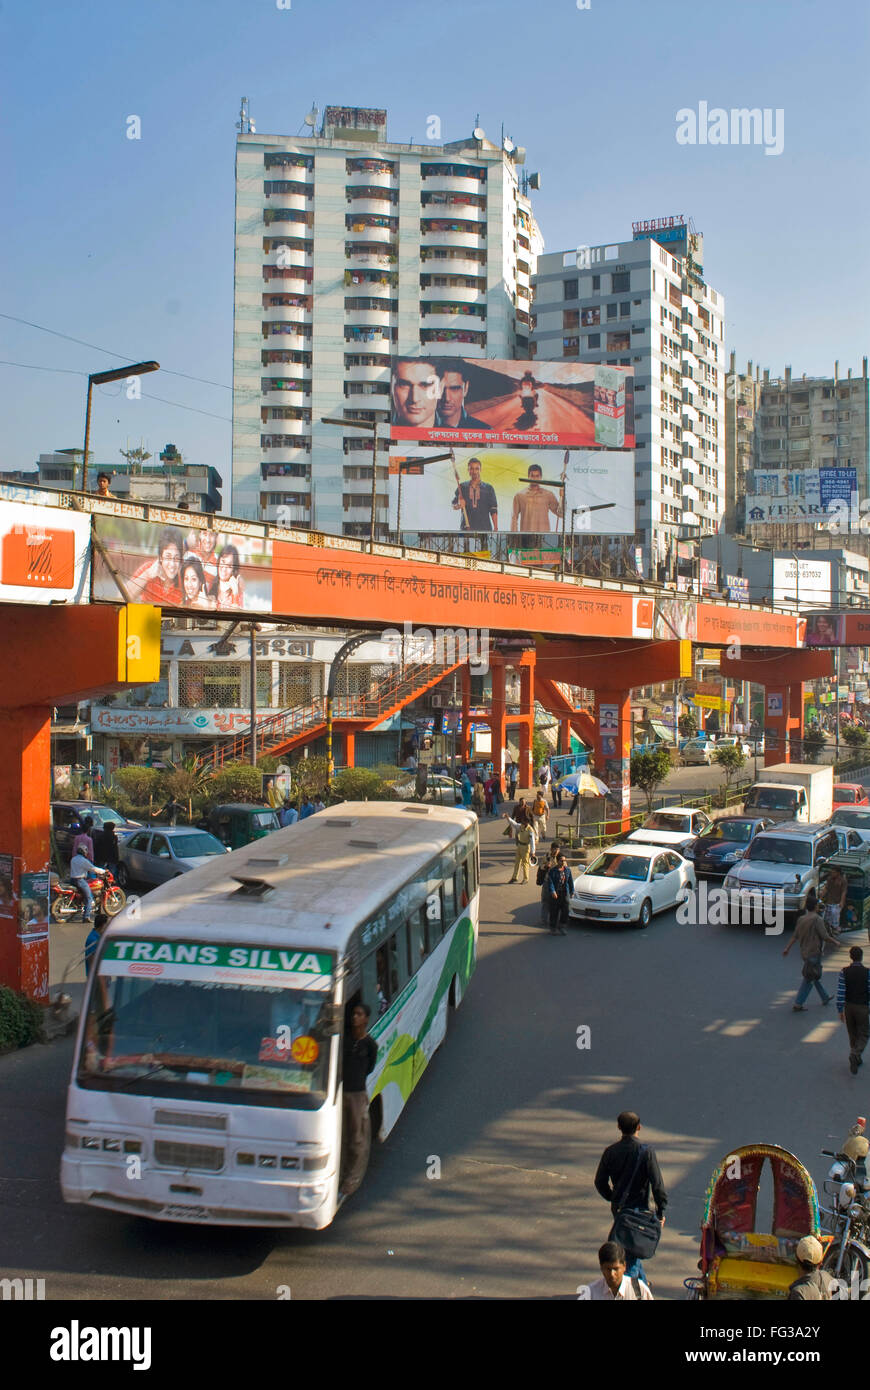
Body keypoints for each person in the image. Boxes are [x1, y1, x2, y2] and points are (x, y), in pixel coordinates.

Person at [594, 1111, 668, 1286]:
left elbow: (599, 1182)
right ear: (639, 1127)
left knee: (630, 1245)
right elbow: (658, 1185)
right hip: (639, 1210)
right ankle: (632, 1288)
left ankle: (642, 1283)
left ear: (619, 1127)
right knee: (633, 1247)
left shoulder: (610, 1152)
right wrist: (660, 1212)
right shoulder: (646, 1152)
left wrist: (612, 1197)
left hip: (620, 1210)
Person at [338, 1002, 379, 1202]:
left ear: (366, 1019)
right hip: (340, 1093)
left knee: (357, 1139)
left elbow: (370, 1067)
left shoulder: (370, 1045)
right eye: (353, 1014)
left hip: (356, 1096)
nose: (355, 1017)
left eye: (359, 1014)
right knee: (342, 1136)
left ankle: (352, 1178)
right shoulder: (344, 1040)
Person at [783, 888, 838, 1010]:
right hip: (814, 952)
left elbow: (795, 936)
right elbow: (825, 936)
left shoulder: (801, 919)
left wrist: (787, 948)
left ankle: (824, 996)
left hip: (805, 952)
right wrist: (835, 942)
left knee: (813, 974)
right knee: (810, 978)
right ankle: (798, 1003)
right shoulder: (817, 919)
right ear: (816, 907)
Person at [128, 526, 184, 605]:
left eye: (176, 558)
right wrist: (147, 575)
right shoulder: (148, 568)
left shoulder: (185, 579)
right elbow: (121, 597)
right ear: (160, 557)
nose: (172, 564)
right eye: (168, 557)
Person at [582, 1241, 653, 1301]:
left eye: (616, 1269)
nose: (612, 1274)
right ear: (601, 1268)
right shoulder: (591, 1292)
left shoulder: (638, 1289)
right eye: (608, 1269)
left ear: (624, 1266)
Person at [837, 945, 870, 1074]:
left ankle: (856, 1057)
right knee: (865, 1033)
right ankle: (855, 1054)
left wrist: (840, 1009)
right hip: (862, 1006)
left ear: (851, 957)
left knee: (853, 1033)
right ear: (861, 957)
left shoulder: (844, 971)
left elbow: (841, 991)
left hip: (848, 1006)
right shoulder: (867, 972)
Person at [391, 356, 441, 431]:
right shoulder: (381, 429)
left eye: (425, 385)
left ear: (440, 388)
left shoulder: (455, 434)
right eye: (404, 385)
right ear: (392, 387)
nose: (414, 398)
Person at [435, 361, 489, 430]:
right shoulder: (422, 426)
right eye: (440, 389)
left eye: (454, 389)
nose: (447, 398)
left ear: (465, 388)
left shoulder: (483, 430)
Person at [511, 463, 562, 533]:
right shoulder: (519, 495)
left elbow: (560, 514)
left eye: (537, 476)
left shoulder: (548, 495)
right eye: (532, 476)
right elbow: (514, 518)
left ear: (541, 477)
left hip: (544, 538)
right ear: (528, 476)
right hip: (526, 537)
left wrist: (562, 497)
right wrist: (514, 537)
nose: (534, 478)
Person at [452, 456, 499, 532]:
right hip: (466, 528)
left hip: (485, 529)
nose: (474, 471)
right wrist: (459, 505)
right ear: (468, 470)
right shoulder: (462, 487)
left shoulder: (488, 488)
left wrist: (496, 528)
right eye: (471, 469)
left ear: (480, 470)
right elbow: (453, 504)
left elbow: (493, 509)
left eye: (477, 469)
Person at [69, 847, 107, 924]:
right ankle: (86, 917)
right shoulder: (83, 861)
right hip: (80, 880)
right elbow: (93, 869)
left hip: (72, 880)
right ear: (83, 852)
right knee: (89, 898)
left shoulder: (73, 859)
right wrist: (103, 871)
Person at [547, 851, 574, 936]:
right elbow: (550, 882)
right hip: (555, 894)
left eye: (564, 861)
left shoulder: (567, 870)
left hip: (564, 893)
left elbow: (570, 882)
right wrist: (553, 891)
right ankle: (553, 927)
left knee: (565, 910)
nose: (563, 862)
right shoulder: (552, 871)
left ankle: (562, 926)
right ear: (558, 861)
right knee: (554, 911)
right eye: (561, 861)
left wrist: (572, 891)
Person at [503, 811, 535, 883]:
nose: (522, 822)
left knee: (525, 863)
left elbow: (532, 841)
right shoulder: (521, 826)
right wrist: (508, 818)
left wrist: (533, 852)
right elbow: (514, 824)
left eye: (523, 821)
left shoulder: (530, 830)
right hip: (519, 846)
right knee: (517, 862)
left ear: (527, 822)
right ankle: (515, 877)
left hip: (526, 847)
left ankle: (526, 878)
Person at [215, 544, 246, 609]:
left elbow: (238, 615)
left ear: (233, 569)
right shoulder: (212, 585)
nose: (224, 569)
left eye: (229, 566)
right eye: (223, 562)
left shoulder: (237, 590)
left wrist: (235, 592)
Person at [539, 840, 562, 926]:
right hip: (547, 882)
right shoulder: (546, 857)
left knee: (557, 902)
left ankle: (555, 920)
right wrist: (545, 866)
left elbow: (565, 869)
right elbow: (541, 867)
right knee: (545, 901)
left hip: (557, 884)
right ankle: (544, 919)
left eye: (558, 849)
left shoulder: (561, 858)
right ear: (551, 849)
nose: (556, 851)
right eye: (554, 849)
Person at [822, 865, 848, 934]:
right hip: (829, 900)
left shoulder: (843, 881)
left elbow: (844, 892)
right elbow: (826, 888)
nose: (832, 874)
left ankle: (835, 927)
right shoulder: (829, 879)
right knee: (826, 916)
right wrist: (821, 897)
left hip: (837, 902)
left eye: (833, 872)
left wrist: (842, 902)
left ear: (838, 873)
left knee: (834, 914)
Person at [84, 909, 108, 977]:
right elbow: (92, 962)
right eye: (107, 925)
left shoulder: (101, 935)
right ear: (102, 926)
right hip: (96, 977)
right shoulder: (92, 940)